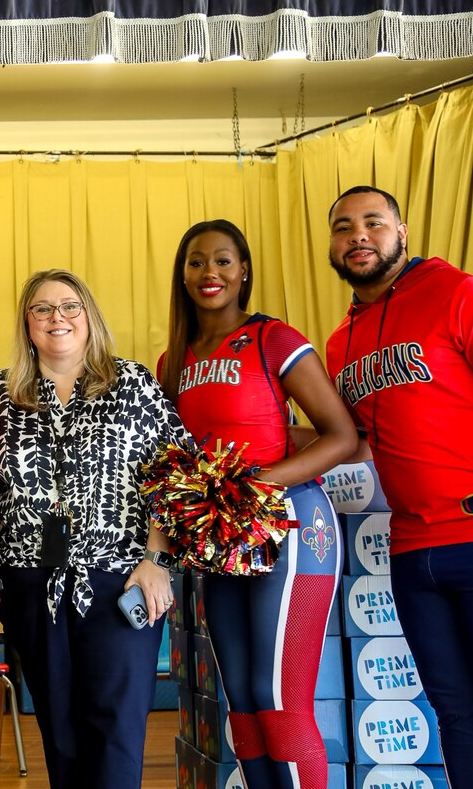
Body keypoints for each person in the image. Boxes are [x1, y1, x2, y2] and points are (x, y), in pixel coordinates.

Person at [325, 185, 473, 788]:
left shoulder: (460, 294)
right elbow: (356, 441)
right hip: (411, 548)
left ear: (402, 232)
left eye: (373, 222)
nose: (358, 235)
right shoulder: (341, 344)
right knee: (454, 712)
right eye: (343, 227)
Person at [159, 221, 357, 789]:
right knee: (242, 703)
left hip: (291, 523)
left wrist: (257, 485)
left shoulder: (274, 338)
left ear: (243, 271)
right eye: (197, 262)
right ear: (183, 275)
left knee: (280, 700)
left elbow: (342, 436)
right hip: (222, 539)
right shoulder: (172, 361)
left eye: (223, 260)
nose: (210, 273)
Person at [0, 268, 185, 789]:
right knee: (61, 732)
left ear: (89, 316)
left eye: (69, 306)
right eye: (42, 309)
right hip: (30, 582)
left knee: (116, 729)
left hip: (121, 578)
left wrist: (157, 561)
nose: (58, 318)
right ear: (27, 323)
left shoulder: (132, 382)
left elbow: (176, 472)